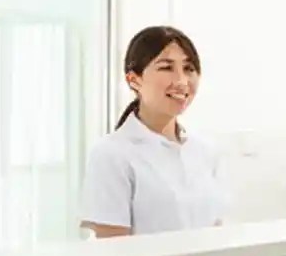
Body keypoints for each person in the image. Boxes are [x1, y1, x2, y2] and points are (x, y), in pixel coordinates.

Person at [80, 26, 228, 238]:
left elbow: (216, 235)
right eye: (166, 68)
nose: (181, 81)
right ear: (134, 80)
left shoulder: (206, 152)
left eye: (189, 69)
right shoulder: (111, 154)